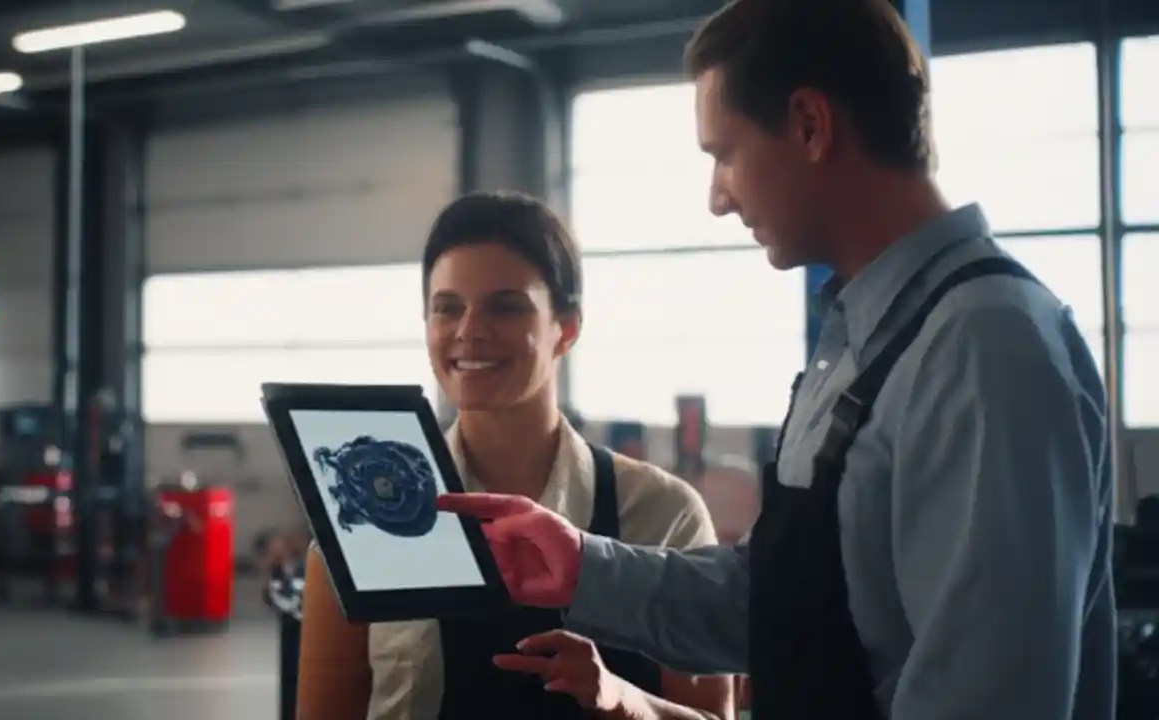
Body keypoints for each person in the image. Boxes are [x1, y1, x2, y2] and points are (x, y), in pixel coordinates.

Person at [438, 1, 1117, 719]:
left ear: (809, 125)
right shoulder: (864, 344)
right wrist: (578, 564)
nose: (718, 198)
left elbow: (988, 699)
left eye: (723, 153)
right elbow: (775, 606)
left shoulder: (983, 351)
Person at [294, 191, 735, 720]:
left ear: (566, 327)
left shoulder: (663, 514)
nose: (470, 330)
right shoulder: (361, 515)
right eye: (447, 307)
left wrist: (625, 702)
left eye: (506, 306)